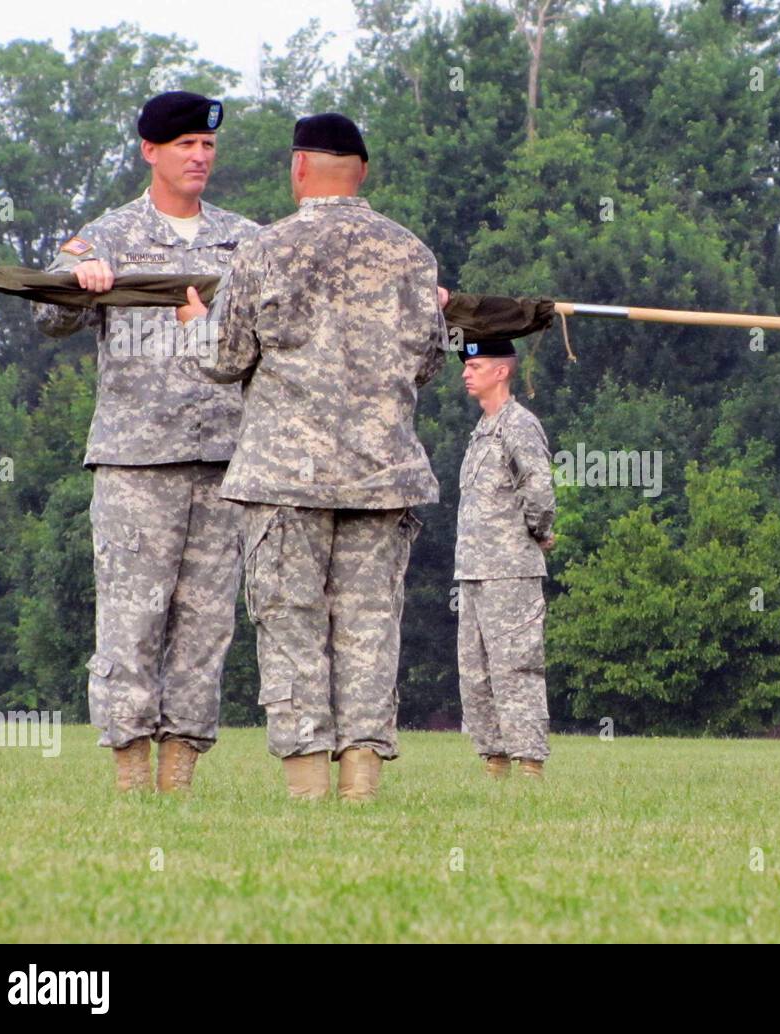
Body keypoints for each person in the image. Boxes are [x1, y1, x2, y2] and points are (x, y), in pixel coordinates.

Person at [197, 113, 445, 802]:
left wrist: (197, 326)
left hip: (285, 476)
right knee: (370, 628)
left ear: (299, 167)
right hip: (383, 473)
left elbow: (225, 360)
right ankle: (361, 782)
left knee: (290, 624)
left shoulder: (264, 250)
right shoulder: (413, 255)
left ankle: (306, 785)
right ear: (362, 172)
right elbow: (425, 362)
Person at [34, 91, 258, 793]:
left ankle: (180, 780)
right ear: (150, 152)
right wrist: (80, 286)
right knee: (132, 620)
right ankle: (133, 775)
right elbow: (46, 313)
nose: (199, 156)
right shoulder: (109, 234)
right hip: (136, 461)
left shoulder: (248, 240)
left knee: (205, 626)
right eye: (186, 143)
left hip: (224, 458)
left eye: (208, 145)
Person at [453, 339, 557, 778]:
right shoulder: (482, 430)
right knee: (476, 676)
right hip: (475, 571)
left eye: (475, 365)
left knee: (516, 669)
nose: (465, 373)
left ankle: (529, 766)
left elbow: (538, 486)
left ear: (502, 372)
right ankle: (494, 764)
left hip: (511, 570)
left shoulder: (519, 424)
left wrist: (539, 532)